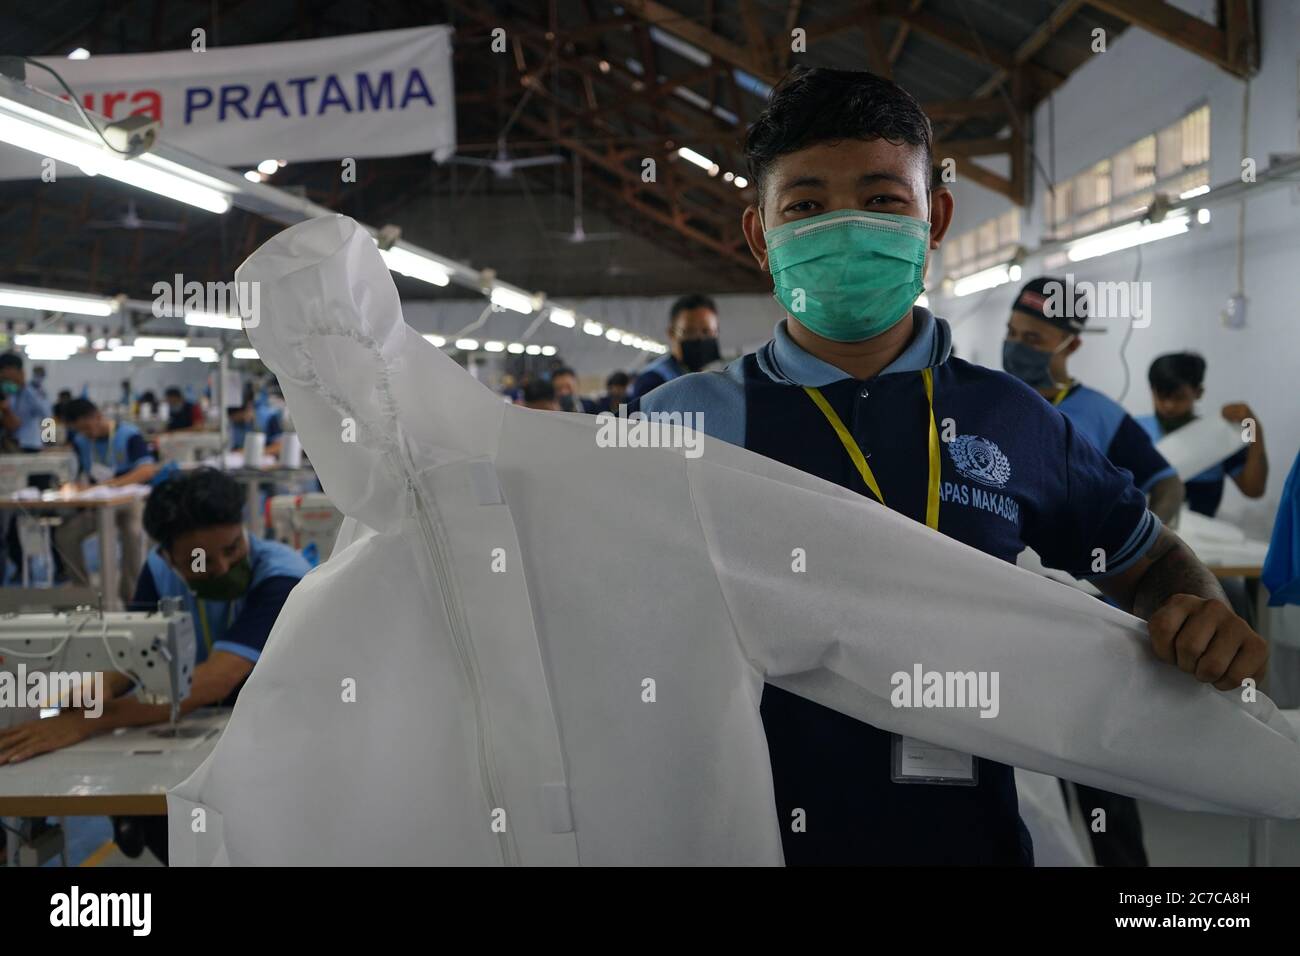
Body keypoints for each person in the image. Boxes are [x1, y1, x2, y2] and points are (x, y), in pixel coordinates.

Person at [630, 65, 1267, 866]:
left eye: (883, 199)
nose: (846, 227)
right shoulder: (683, 420)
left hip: (973, 842)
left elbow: (1148, 556)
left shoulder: (1017, 421)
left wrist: (1199, 608)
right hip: (747, 837)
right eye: (806, 206)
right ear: (761, 234)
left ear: (934, 219)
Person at [0, 468, 311, 862]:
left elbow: (216, 680)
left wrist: (90, 720)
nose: (221, 566)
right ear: (167, 555)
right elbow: (136, 654)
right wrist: (93, 694)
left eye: (233, 548)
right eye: (199, 560)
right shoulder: (159, 570)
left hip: (273, 728)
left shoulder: (282, 578)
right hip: (199, 721)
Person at [1003, 277, 1183, 526]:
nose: (1016, 346)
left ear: (1072, 345)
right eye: (1011, 333)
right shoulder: (994, 397)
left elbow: (1167, 483)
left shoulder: (1102, 415)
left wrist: (1149, 544)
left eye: (1033, 339)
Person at [1138, 352, 1268, 517]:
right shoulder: (1134, 431)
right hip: (1146, 535)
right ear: (1152, 390)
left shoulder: (1218, 437)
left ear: (1198, 392)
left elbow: (1254, 490)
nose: (1168, 406)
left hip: (1198, 540)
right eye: (1161, 397)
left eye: (1179, 398)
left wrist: (1253, 428)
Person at [55, 398, 158, 604]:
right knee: (65, 535)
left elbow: (147, 470)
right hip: (98, 505)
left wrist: (112, 485)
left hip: (129, 502)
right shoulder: (81, 442)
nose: (86, 434)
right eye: (80, 430)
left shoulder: (129, 435)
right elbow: (74, 475)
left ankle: (130, 594)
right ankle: (83, 592)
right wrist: (73, 487)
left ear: (98, 416)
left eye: (87, 427)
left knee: (133, 534)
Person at [628, 294, 721, 400]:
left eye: (707, 331)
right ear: (671, 333)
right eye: (689, 332)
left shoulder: (713, 380)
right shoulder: (652, 382)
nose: (699, 338)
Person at [0, 351, 52, 452]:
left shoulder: (34, 391)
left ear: (19, 371)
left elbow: (46, 413)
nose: (4, 374)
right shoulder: (9, 392)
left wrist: (50, 441)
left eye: (7, 369)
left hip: (30, 445)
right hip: (10, 445)